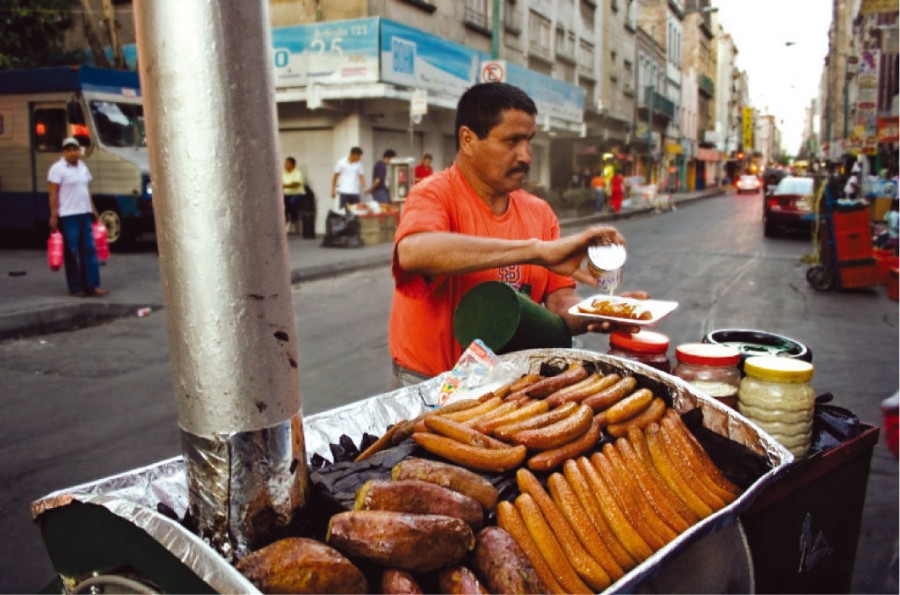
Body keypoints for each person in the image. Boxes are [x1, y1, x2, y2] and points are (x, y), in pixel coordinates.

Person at [389, 83, 632, 386]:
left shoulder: (539, 212)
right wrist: (535, 251)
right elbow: (413, 252)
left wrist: (598, 311)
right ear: (468, 139)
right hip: (431, 385)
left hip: (508, 388)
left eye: (529, 141)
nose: (526, 156)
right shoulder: (433, 194)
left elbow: (560, 304)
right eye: (512, 141)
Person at [48, 137, 109, 298]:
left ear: (79, 151)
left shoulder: (83, 167)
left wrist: (94, 210)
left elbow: (86, 190)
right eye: (68, 150)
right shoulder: (57, 169)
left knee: (89, 250)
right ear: (64, 152)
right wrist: (54, 214)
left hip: (84, 213)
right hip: (68, 215)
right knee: (72, 251)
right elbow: (53, 193)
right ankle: (76, 287)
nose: (72, 152)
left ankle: (93, 285)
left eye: (75, 149)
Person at [282, 156, 305, 234]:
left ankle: (293, 218)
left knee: (292, 202)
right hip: (285, 195)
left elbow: (296, 184)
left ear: (293, 165)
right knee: (280, 203)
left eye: (287, 163)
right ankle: (285, 219)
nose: (285, 165)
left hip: (297, 194)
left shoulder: (297, 173)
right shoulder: (283, 173)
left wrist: (284, 186)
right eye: (285, 163)